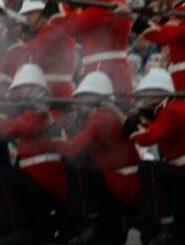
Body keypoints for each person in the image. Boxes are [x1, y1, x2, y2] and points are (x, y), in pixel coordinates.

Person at [124, 68, 185, 244]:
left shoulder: (172, 111)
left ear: (161, 94)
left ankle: (164, 224)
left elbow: (147, 138)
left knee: (149, 168)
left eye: (147, 94)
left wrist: (126, 123)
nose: (143, 99)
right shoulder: (172, 108)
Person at [0, 64, 69, 244]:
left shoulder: (42, 109)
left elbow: (14, 128)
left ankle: (14, 227)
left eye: (20, 89)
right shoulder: (32, 109)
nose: (16, 94)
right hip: (34, 176)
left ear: (34, 88)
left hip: (46, 179)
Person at [63, 71, 141, 245]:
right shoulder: (99, 116)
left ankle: (88, 220)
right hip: (114, 179)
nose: (78, 104)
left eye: (84, 98)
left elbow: (74, 148)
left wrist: (57, 131)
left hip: (120, 182)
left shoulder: (102, 117)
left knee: (76, 165)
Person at [55, 0, 135, 96]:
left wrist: (56, 7)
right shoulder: (102, 1)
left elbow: (75, 25)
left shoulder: (106, 2)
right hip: (99, 72)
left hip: (110, 75)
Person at [7, 0, 76, 98]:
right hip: (48, 89)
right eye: (26, 15)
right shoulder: (45, 31)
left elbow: (32, 50)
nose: (27, 19)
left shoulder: (52, 28)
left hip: (57, 91)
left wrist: (11, 40)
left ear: (43, 13)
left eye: (31, 14)